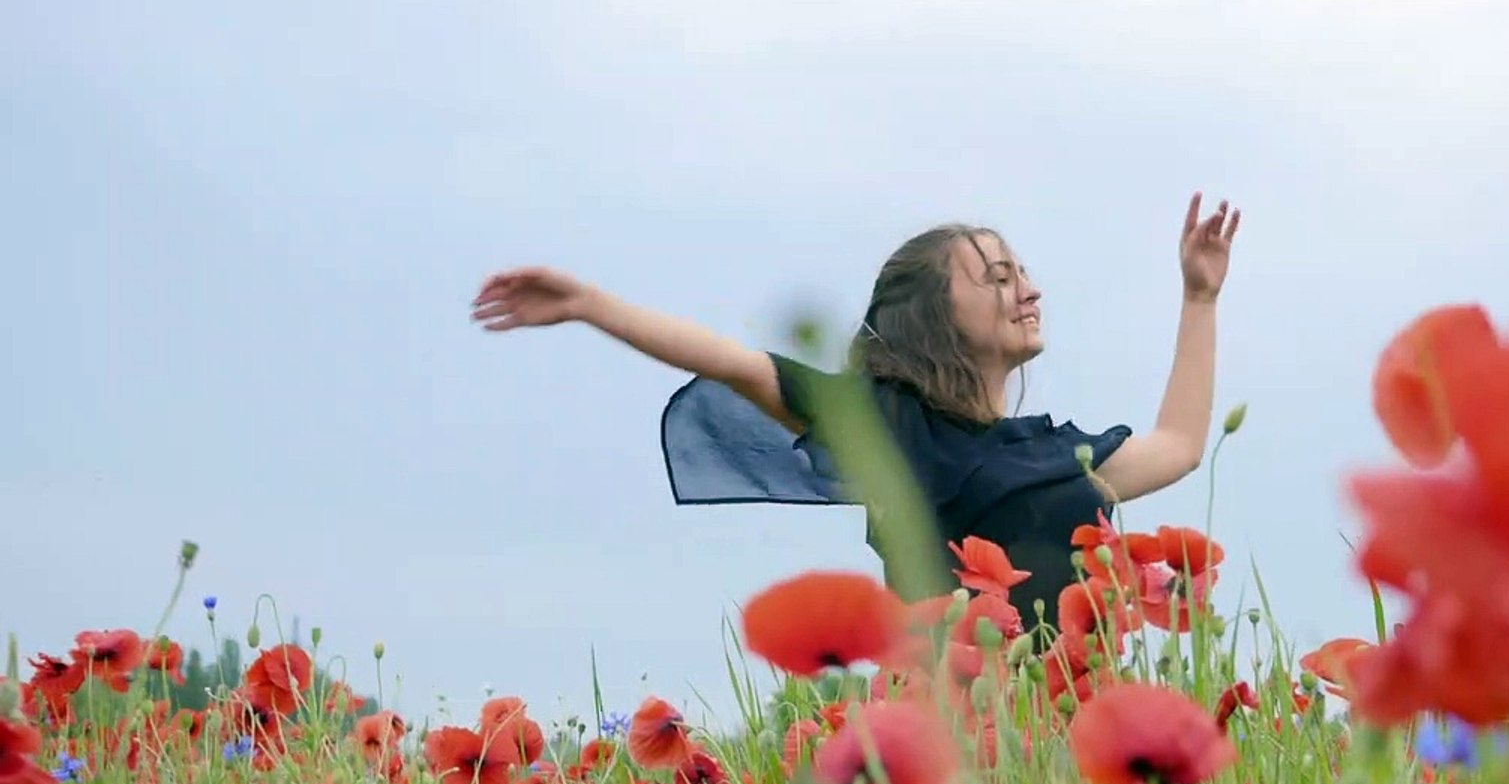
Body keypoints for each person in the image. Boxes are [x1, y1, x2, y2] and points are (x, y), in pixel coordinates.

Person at [470, 191, 1239, 630]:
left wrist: (1199, 296)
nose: (1028, 292)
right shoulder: (891, 431)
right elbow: (734, 361)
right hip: (962, 745)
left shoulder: (1058, 453)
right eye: (1000, 279)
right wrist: (589, 304)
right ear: (936, 312)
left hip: (1080, 746)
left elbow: (1176, 445)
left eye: (1024, 275)